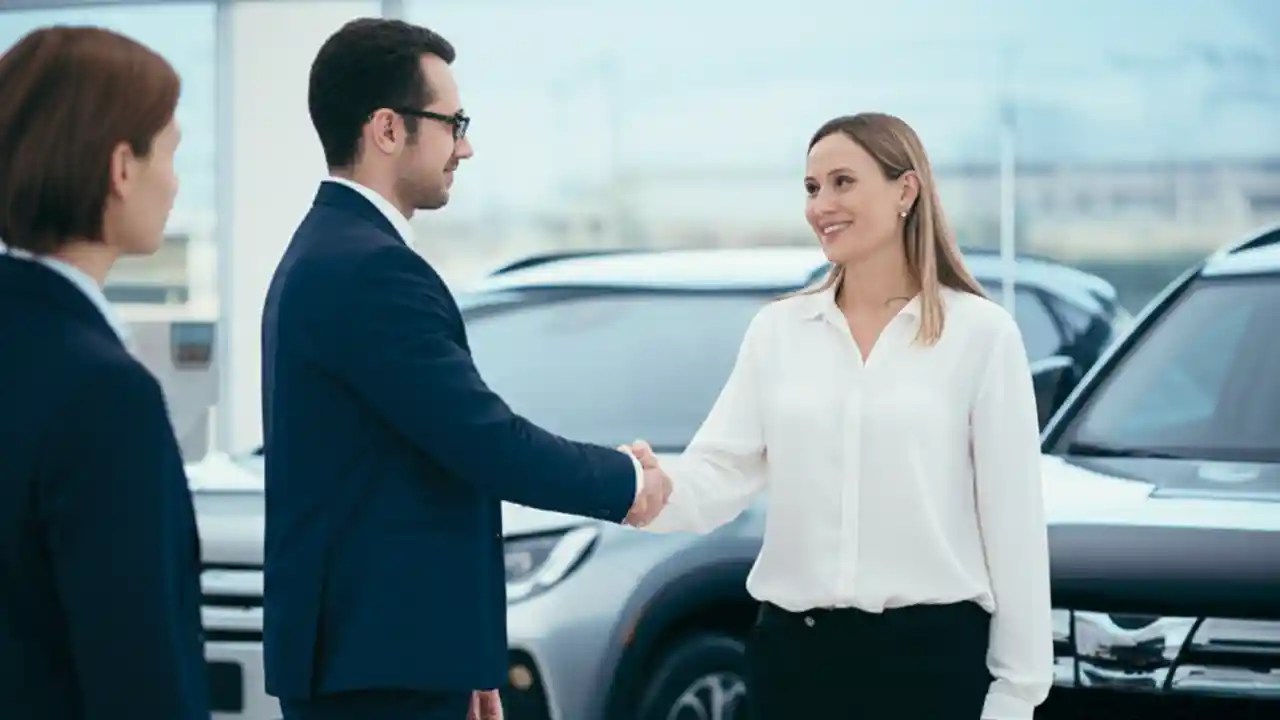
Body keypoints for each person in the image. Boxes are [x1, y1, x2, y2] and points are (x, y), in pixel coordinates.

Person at [260, 18, 671, 720]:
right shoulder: (370, 269)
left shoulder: (330, 251)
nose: (467, 146)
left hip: (391, 659)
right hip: (381, 676)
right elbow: (483, 441)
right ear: (388, 129)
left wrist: (465, 658)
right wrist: (626, 482)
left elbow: (410, 470)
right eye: (454, 123)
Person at [625, 112, 1052, 719]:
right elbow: (719, 473)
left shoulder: (981, 336)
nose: (821, 204)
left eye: (842, 182)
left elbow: (1015, 528)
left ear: (906, 190)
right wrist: (657, 486)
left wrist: (1015, 695)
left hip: (932, 667)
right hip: (796, 665)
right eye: (811, 187)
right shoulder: (779, 332)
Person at [0, 26, 208, 720]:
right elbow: (140, 677)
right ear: (122, 167)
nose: (175, 181)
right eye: (170, 151)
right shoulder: (101, 393)